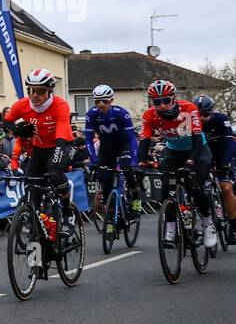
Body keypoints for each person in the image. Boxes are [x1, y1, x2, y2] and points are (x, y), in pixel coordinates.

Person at [140, 79, 216, 249]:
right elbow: (144, 140)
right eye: (157, 102)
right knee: (166, 190)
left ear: (173, 98)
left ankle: (207, 223)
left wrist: (190, 162)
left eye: (166, 100)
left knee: (195, 186)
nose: (162, 105)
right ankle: (171, 229)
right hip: (173, 152)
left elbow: (197, 138)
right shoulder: (150, 115)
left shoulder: (189, 109)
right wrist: (141, 162)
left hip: (197, 150)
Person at [3, 68, 77, 236]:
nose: (34, 95)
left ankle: (67, 214)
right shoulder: (22, 105)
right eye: (31, 90)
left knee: (54, 168)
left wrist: (55, 162)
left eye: (40, 91)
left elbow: (61, 137)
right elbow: (6, 122)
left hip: (63, 144)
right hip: (40, 148)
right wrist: (17, 130)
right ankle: (36, 223)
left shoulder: (60, 105)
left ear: (49, 91)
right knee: (32, 183)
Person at [83, 84, 140, 217]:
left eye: (105, 101)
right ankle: (110, 212)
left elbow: (132, 138)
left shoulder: (121, 113)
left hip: (124, 145)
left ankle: (136, 199)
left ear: (111, 100)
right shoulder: (91, 115)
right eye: (97, 101)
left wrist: (134, 160)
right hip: (106, 148)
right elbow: (88, 139)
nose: (101, 104)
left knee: (127, 169)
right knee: (105, 180)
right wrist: (93, 159)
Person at [195, 95, 236, 242]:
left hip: (221, 154)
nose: (202, 118)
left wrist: (225, 163)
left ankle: (233, 226)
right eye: (199, 114)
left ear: (212, 112)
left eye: (205, 114)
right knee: (196, 190)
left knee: (226, 188)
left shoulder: (221, 118)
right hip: (203, 156)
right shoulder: (192, 122)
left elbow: (229, 143)